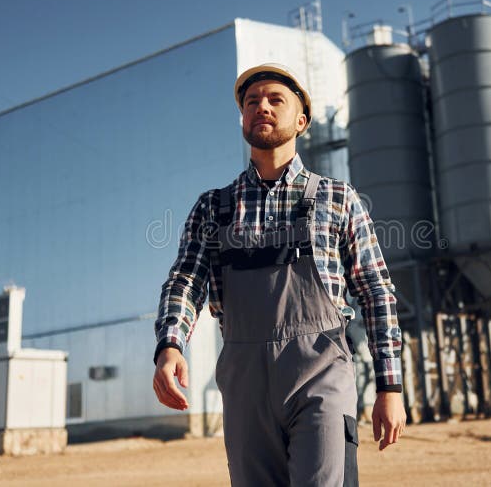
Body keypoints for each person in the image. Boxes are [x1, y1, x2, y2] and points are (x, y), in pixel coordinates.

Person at [153, 62, 406, 486]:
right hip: (245, 385)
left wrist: (390, 387)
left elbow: (376, 292)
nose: (262, 108)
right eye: (251, 102)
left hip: (321, 373)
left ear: (301, 120)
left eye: (275, 100)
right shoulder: (213, 208)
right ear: (242, 119)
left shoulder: (338, 199)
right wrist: (170, 345)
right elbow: (186, 280)